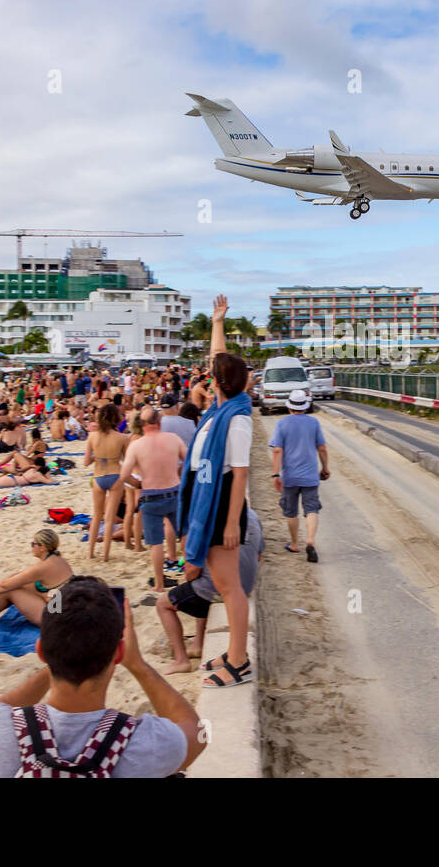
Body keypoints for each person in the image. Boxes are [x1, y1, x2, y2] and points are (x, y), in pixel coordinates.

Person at [0, 576, 202, 777]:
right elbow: (199, 731)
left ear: (41, 651)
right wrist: (138, 665)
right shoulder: (144, 743)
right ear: (118, 654)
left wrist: (60, 654)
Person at [178, 295, 253, 689]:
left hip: (224, 505)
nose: (208, 374)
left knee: (228, 587)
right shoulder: (220, 407)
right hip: (211, 505)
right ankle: (233, 654)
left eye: (213, 374)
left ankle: (239, 662)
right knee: (224, 584)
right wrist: (217, 322)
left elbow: (240, 475)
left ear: (219, 385)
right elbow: (218, 358)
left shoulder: (236, 418)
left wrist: (229, 524)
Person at [156, 507, 262, 674]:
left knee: (162, 604)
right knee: (203, 578)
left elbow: (192, 569)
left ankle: (181, 660)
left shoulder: (204, 517)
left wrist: (190, 576)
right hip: (246, 584)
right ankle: (198, 642)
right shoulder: (252, 515)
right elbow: (258, 556)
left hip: (222, 588)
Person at [119, 406, 186, 594]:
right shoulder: (173, 439)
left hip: (150, 495)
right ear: (159, 421)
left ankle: (158, 584)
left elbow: (124, 475)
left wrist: (138, 484)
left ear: (141, 424)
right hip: (173, 492)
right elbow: (189, 461)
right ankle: (190, 575)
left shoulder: (136, 445)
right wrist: (178, 473)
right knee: (184, 535)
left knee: (156, 543)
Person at [270, 388, 331, 563]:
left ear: (289, 406)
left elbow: (277, 450)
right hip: (310, 475)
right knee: (311, 509)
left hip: (290, 476)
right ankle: (311, 540)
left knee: (291, 511)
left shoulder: (282, 424)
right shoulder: (313, 423)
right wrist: (325, 467)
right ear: (305, 406)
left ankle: (295, 543)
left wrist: (275, 474)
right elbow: (322, 448)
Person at [0, 530, 73, 627]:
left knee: (10, 590)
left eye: (33, 544)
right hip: (65, 609)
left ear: (43, 547)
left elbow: (5, 586)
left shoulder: (44, 567)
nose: (31, 547)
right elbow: (17, 579)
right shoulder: (59, 560)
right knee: (15, 581)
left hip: (56, 617)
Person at [84, 404, 129, 561]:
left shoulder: (92, 436)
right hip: (115, 474)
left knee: (97, 516)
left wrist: (97, 456)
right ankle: (105, 555)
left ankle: (90, 552)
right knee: (109, 518)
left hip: (98, 475)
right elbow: (127, 460)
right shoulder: (122, 437)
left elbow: (85, 462)